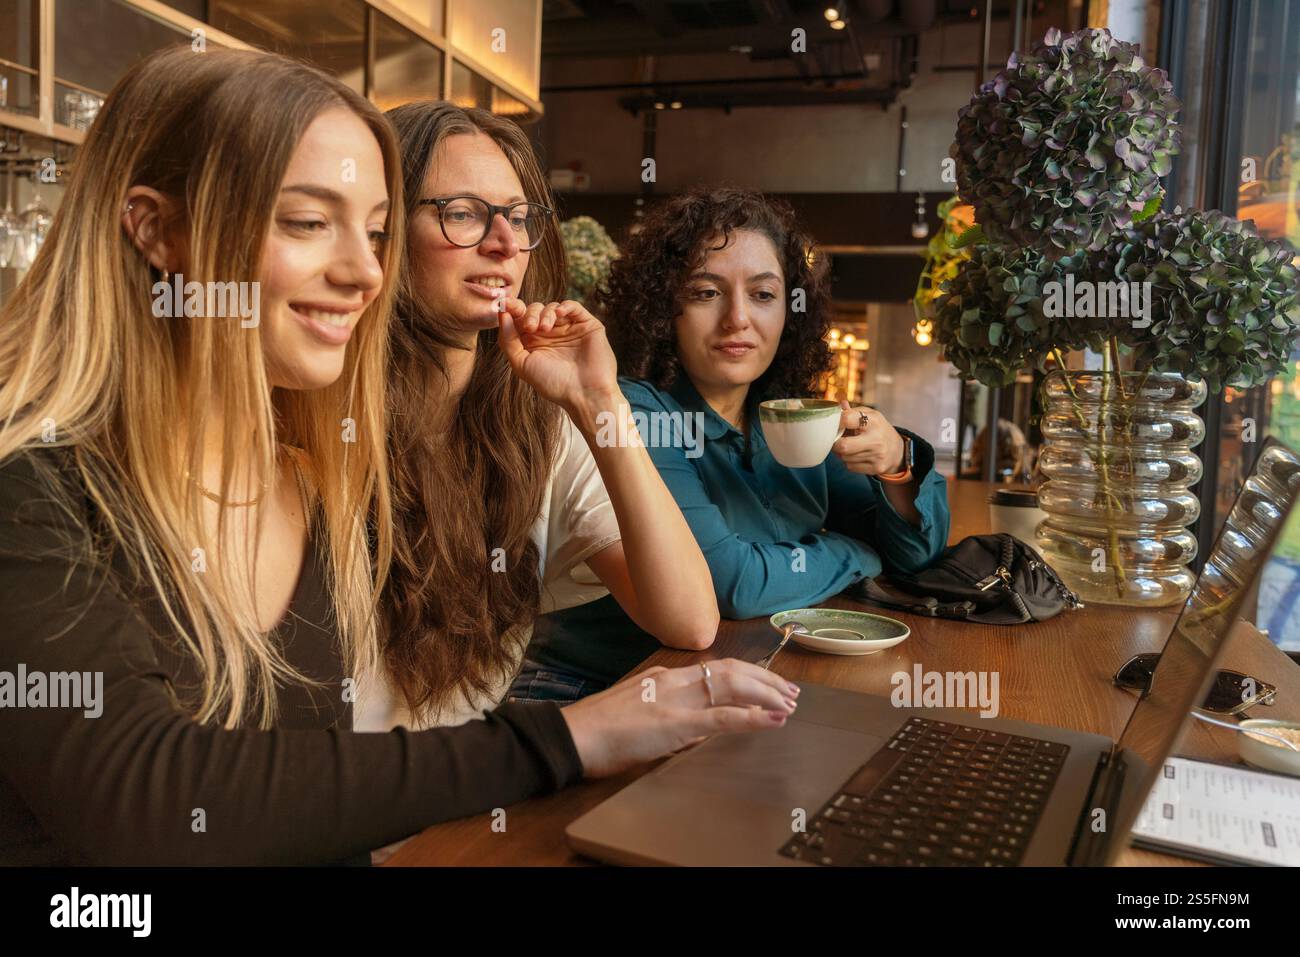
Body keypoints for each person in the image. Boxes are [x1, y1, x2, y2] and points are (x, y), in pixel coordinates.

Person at [0, 48, 796, 866]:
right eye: (309, 221)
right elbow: (156, 800)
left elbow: (301, 792)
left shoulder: (297, 473)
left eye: (374, 231)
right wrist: (565, 737)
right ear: (158, 230)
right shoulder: (35, 485)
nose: (363, 272)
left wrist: (601, 407)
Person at [361, 102, 719, 727]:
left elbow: (688, 618)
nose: (505, 244)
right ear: (380, 227)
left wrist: (598, 399)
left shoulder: (538, 427)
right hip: (355, 796)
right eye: (463, 213)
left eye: (520, 219)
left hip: (476, 782)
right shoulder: (321, 419)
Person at [588, 186, 951, 627]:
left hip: (748, 668)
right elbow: (732, 586)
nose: (737, 318)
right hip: (616, 676)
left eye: (762, 295)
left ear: (789, 311)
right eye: (706, 292)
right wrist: (855, 552)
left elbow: (913, 559)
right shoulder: (638, 414)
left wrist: (895, 466)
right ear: (664, 307)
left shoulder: (794, 416)